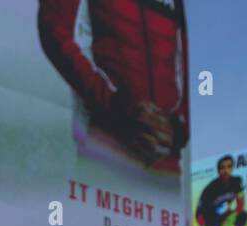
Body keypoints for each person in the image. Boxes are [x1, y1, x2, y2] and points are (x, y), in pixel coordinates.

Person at [37, 0, 189, 172]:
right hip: (107, 150)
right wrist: (117, 107)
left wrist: (176, 128)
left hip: (168, 168)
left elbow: (197, 58)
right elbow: (55, 29)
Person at [194, 154, 247, 226]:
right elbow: (199, 213)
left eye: (229, 167)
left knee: (243, 215)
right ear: (218, 170)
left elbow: (240, 202)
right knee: (213, 220)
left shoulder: (236, 182)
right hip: (209, 219)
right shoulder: (211, 188)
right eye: (222, 168)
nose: (225, 171)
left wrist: (233, 212)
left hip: (225, 216)